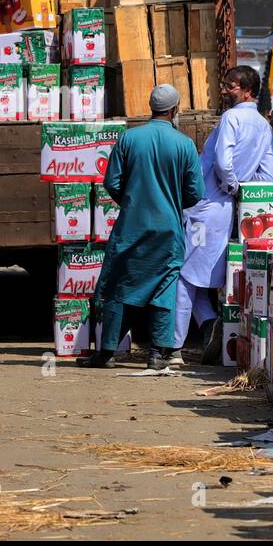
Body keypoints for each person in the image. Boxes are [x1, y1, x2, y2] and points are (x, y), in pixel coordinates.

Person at [80, 84, 204, 370]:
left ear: (152, 107)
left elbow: (111, 182)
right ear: (175, 109)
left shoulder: (128, 139)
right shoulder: (184, 144)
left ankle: (106, 352)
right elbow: (196, 192)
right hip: (168, 230)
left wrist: (133, 201)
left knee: (119, 286)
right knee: (164, 288)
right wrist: (171, 201)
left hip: (131, 227)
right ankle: (157, 355)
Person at [174, 66, 273, 364]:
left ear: (246, 90)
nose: (225, 90)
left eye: (231, 86)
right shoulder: (263, 126)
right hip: (225, 211)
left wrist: (229, 184)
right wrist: (240, 192)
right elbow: (267, 176)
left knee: (184, 276)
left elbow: (222, 160)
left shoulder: (232, 118)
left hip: (205, 207)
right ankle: (208, 323)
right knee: (198, 273)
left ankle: (172, 348)